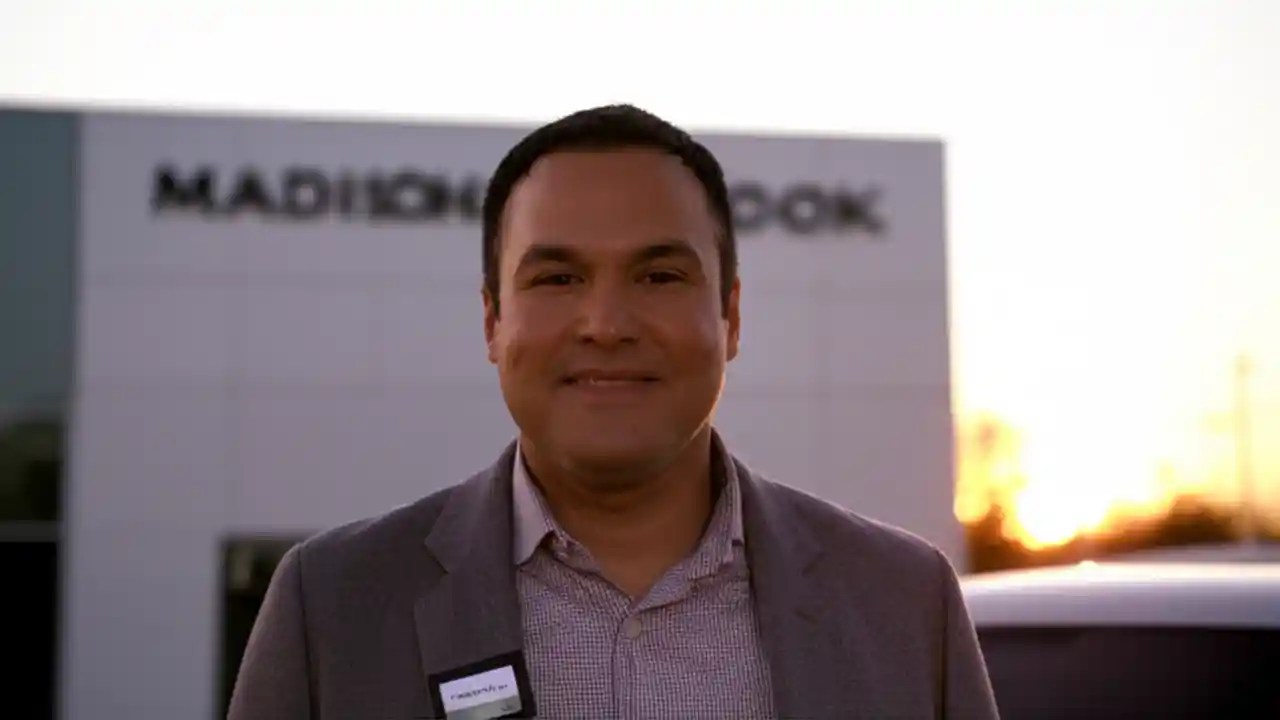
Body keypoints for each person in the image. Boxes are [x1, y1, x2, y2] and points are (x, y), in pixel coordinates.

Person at [228, 104, 999, 720]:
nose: (605, 323)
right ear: (492, 320)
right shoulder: (331, 611)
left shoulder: (905, 606)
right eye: (557, 278)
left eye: (659, 276)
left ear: (731, 316)